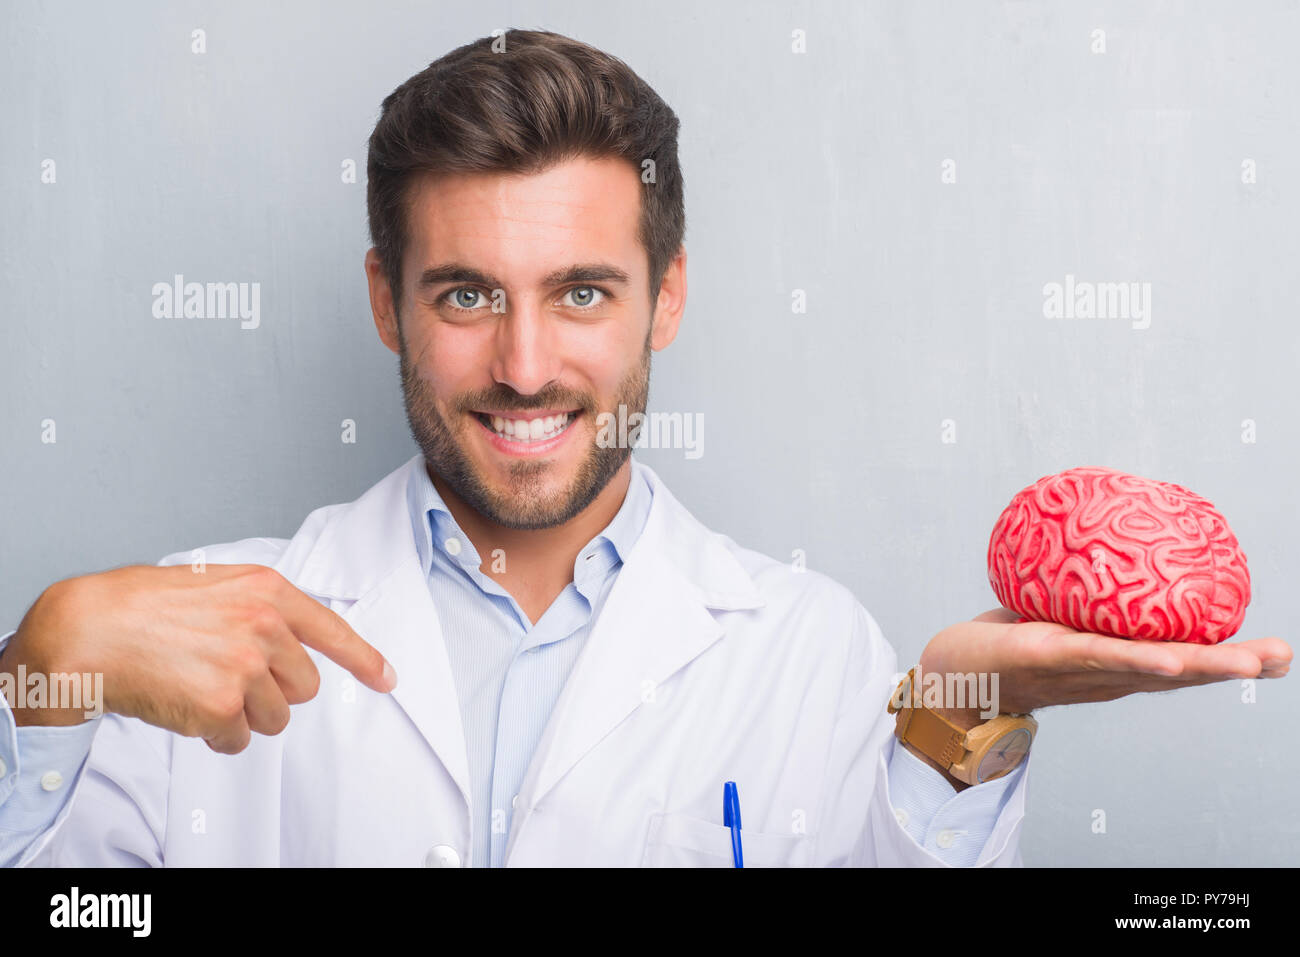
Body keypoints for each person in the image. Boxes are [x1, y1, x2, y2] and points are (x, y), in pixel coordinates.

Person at [0, 30, 1289, 868]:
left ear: (665, 298)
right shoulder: (185, 637)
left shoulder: (803, 649)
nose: (521, 364)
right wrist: (37, 680)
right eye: (464, 295)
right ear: (386, 303)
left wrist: (970, 713)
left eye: (581, 292)